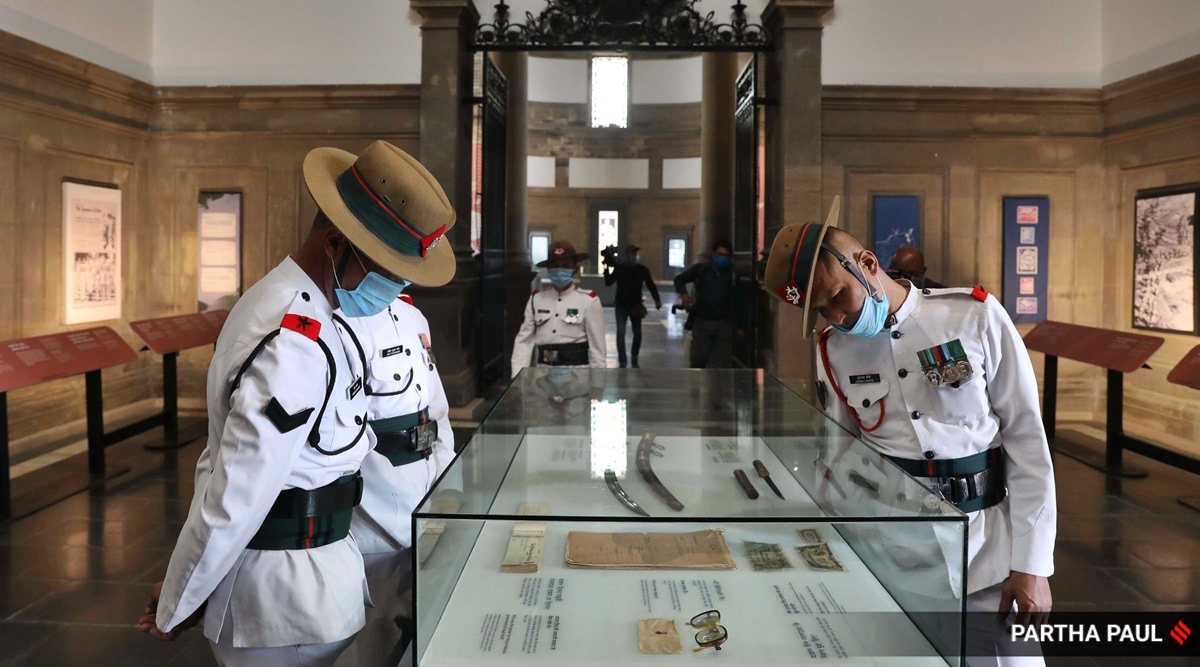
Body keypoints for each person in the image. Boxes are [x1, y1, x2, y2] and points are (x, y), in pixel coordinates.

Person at [138, 139, 456, 666]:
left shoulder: (320, 316)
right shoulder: (291, 339)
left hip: (320, 587)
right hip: (273, 601)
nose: (395, 288)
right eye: (387, 271)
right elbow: (238, 493)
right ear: (334, 243)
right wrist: (179, 599)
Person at [764, 198, 1055, 666]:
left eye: (837, 297)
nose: (836, 318)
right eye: (821, 311)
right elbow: (839, 457)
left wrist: (1033, 565)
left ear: (867, 263)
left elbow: (1027, 442)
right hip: (895, 558)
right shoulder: (833, 351)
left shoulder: (973, 316)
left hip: (988, 553)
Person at [332, 285, 456, 665]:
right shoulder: (337, 322)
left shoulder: (411, 316)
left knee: (418, 621)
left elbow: (436, 410)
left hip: (426, 486)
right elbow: (344, 437)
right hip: (374, 507)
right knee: (374, 634)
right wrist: (397, 511)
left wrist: (446, 478)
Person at [511, 241, 606, 377]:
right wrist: (517, 379)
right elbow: (524, 342)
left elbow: (598, 348)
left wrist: (598, 385)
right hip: (543, 375)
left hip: (578, 377)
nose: (559, 270)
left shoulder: (588, 300)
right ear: (548, 269)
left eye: (565, 266)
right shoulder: (536, 299)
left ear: (575, 269)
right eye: (555, 266)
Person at [673, 239, 736, 368]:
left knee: (720, 364)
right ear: (713, 254)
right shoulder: (702, 270)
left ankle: (716, 387)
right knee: (698, 360)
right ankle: (696, 386)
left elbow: (740, 299)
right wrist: (684, 295)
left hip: (724, 323)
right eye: (719, 254)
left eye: (725, 255)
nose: (722, 258)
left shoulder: (733, 274)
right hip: (702, 321)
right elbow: (680, 279)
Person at [603, 243, 662, 368]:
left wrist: (657, 299)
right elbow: (609, 282)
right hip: (621, 304)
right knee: (621, 332)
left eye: (636, 254)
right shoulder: (620, 268)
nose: (635, 256)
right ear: (627, 255)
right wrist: (606, 270)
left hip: (635, 305)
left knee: (637, 333)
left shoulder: (642, 269)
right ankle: (622, 360)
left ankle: (634, 355)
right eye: (633, 254)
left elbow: (651, 285)